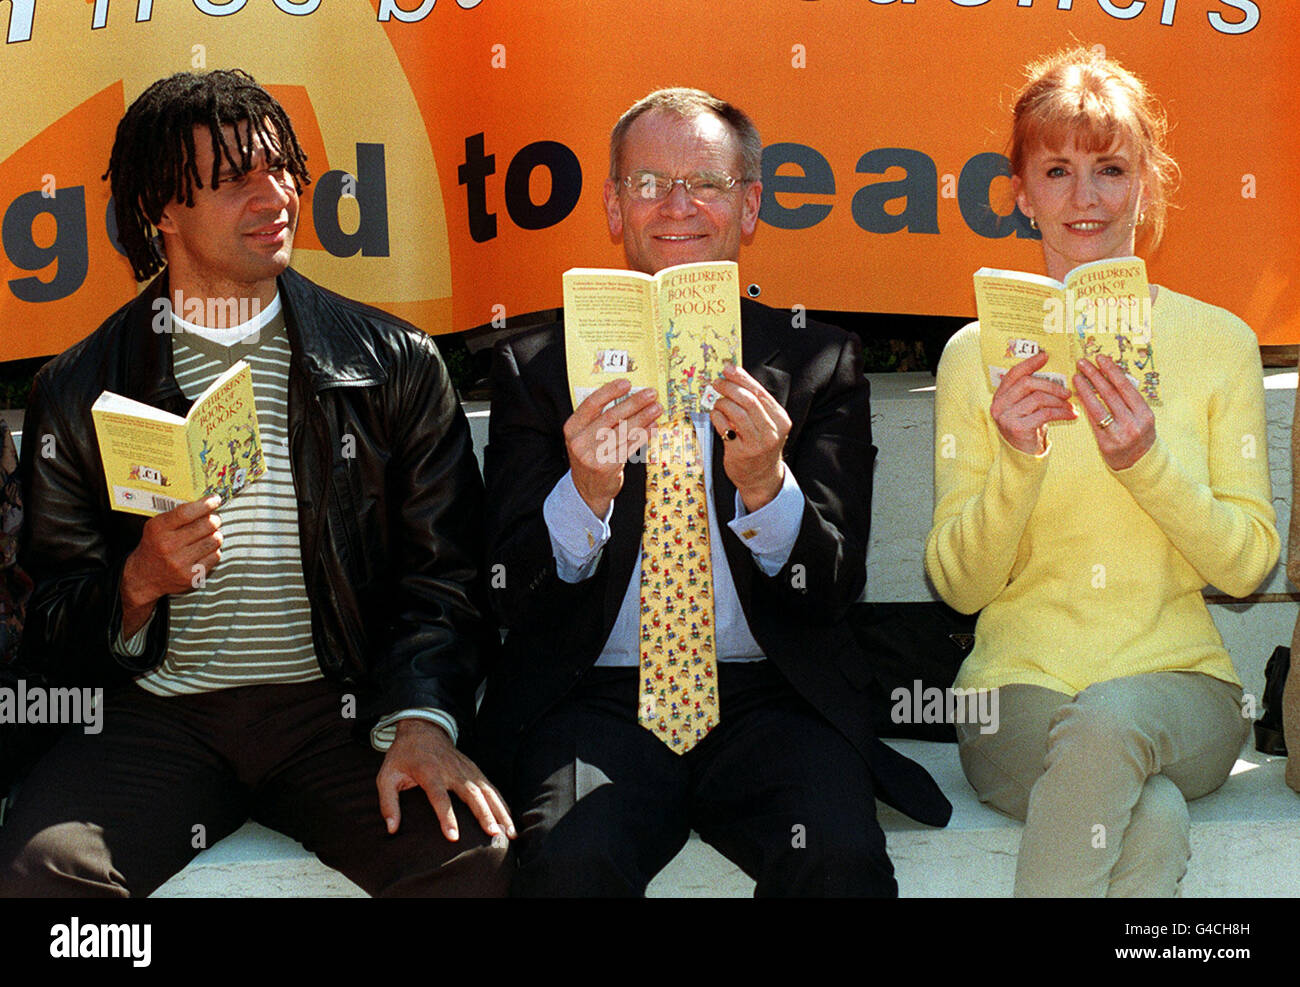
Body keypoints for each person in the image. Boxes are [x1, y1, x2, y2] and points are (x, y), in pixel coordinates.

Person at [0, 69, 512, 897]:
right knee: (42, 876)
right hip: (153, 714)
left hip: (337, 707)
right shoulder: (79, 386)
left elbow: (445, 580)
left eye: (282, 170)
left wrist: (421, 717)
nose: (274, 196)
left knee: (466, 858)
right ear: (162, 211)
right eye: (238, 180)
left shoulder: (389, 363)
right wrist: (135, 586)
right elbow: (44, 618)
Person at [479, 87, 950, 898]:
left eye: (707, 181)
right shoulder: (538, 364)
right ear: (614, 207)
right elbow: (503, 594)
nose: (678, 205)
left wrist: (767, 486)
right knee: (566, 864)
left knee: (837, 859)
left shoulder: (818, 362)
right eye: (650, 182)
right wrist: (584, 495)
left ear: (752, 205)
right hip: (593, 699)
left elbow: (833, 586)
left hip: (775, 697)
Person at [925, 48, 1278, 896]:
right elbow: (961, 587)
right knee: (1149, 817)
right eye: (1057, 170)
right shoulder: (976, 353)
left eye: (1111, 169)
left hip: (1184, 691)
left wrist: (1144, 464)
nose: (1085, 198)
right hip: (1013, 696)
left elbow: (1248, 563)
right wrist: (1017, 461)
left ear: (1148, 183)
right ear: (1022, 192)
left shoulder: (1219, 340)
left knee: (1111, 725)